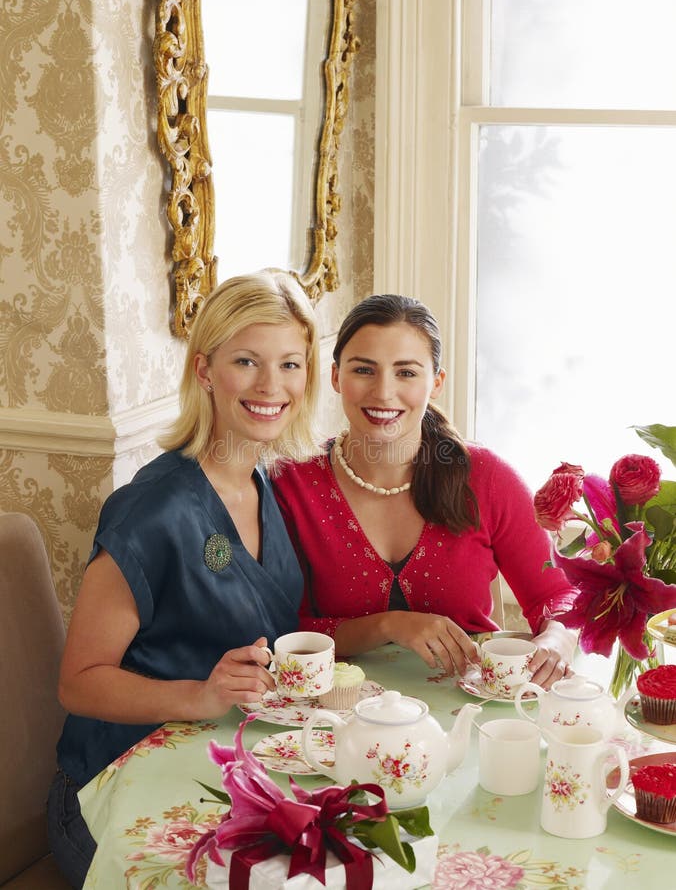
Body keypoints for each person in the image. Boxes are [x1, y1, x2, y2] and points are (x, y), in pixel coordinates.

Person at [48, 270, 320, 888]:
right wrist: (200, 695)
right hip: (108, 792)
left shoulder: (267, 482)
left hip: (217, 770)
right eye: (246, 361)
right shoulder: (153, 510)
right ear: (204, 370)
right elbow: (78, 684)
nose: (270, 387)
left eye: (290, 365)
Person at [273, 294, 578, 688]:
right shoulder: (293, 484)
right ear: (336, 377)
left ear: (436, 383)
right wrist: (389, 625)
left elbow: (559, 595)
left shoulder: (487, 478)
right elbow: (286, 629)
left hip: (471, 710)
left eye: (406, 373)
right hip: (333, 715)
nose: (383, 392)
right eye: (364, 370)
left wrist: (556, 637)